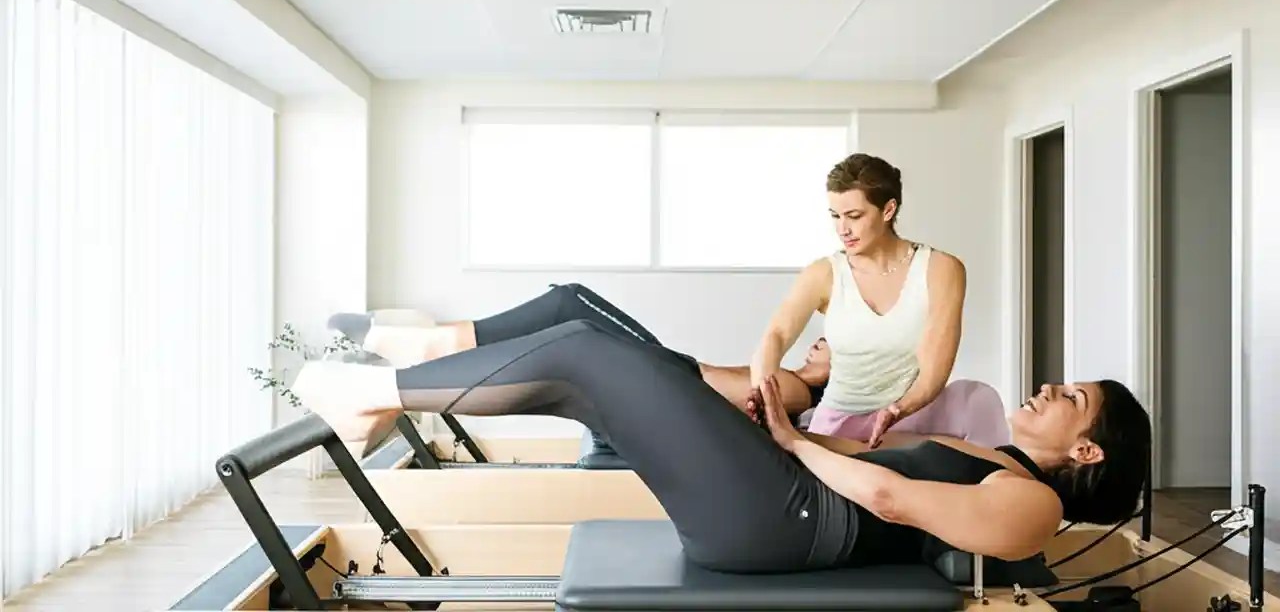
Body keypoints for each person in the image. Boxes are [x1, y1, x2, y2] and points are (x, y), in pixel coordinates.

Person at [291, 318, 1151, 574]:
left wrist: (788, 439)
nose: (1046, 389)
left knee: (585, 360)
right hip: (787, 490)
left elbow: (889, 498)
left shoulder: (1033, 508)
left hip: (787, 521)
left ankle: (369, 396)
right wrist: (792, 424)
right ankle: (392, 383)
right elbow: (884, 463)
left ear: (1086, 454)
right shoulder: (994, 453)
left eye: (1069, 398)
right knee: (588, 336)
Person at [329, 281, 1010, 451]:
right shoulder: (799, 384)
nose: (814, 347)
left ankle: (426, 353)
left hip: (672, 385)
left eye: (827, 348)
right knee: (567, 312)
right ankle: (427, 355)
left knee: (570, 308)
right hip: (673, 377)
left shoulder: (802, 391)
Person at [751, 152, 969, 448]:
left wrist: (897, 410)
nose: (843, 229)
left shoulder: (941, 270)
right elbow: (776, 334)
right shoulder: (824, 273)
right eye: (835, 216)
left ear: (888, 210)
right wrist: (763, 391)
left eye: (854, 216)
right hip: (836, 426)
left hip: (910, 418)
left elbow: (933, 371)